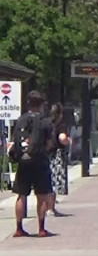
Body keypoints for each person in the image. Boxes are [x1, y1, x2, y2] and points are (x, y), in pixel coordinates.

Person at [6, 90, 65, 237]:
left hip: (23, 162)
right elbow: (50, 143)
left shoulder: (20, 120)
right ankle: (41, 229)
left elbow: (13, 142)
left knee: (21, 195)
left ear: (28, 103)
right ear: (41, 104)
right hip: (40, 162)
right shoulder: (45, 122)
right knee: (42, 195)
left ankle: (19, 228)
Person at [47, 103, 70, 217]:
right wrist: (68, 141)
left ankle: (46, 207)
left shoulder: (45, 122)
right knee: (54, 181)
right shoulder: (60, 124)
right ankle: (51, 208)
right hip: (57, 154)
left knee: (46, 180)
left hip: (46, 154)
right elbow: (62, 138)